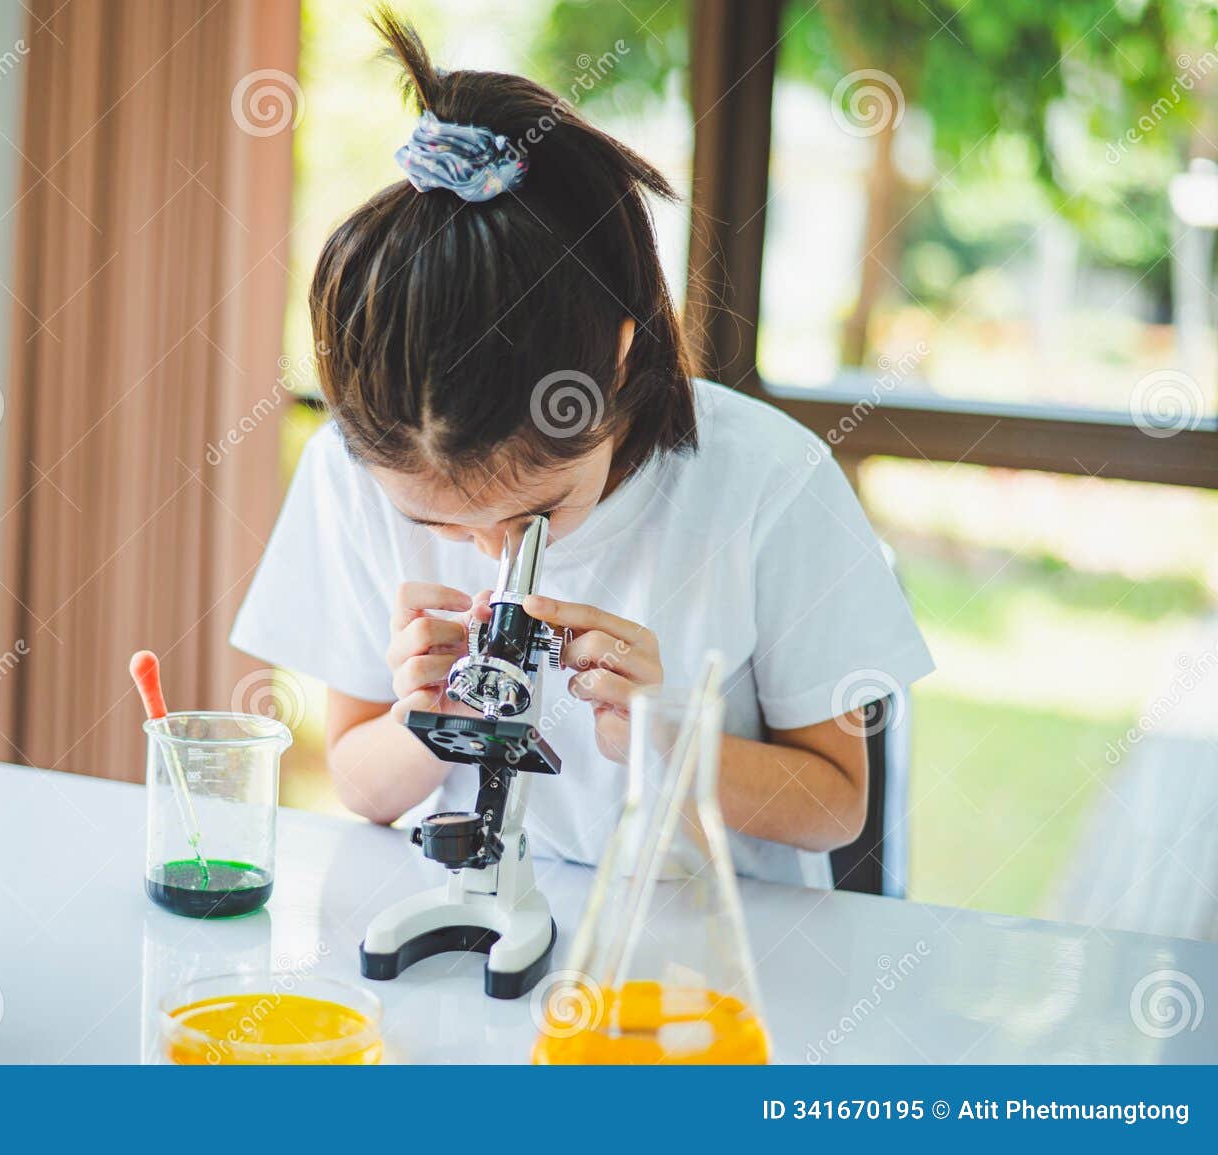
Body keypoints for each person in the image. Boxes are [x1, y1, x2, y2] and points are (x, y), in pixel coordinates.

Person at [231, 10, 932, 887]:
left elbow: (836, 807)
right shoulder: (350, 471)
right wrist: (427, 713)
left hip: (696, 970)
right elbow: (357, 780)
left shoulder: (770, 483)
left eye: (535, 512)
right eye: (439, 524)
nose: (494, 555)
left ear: (618, 354)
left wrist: (667, 735)